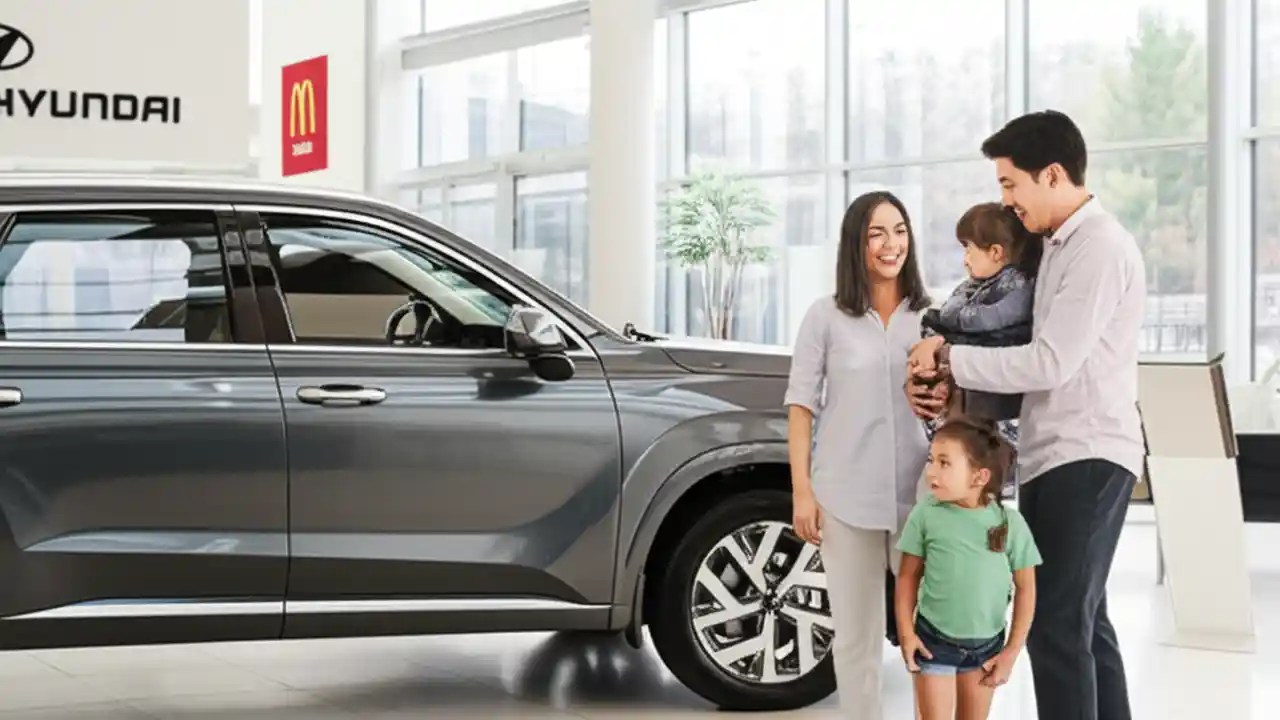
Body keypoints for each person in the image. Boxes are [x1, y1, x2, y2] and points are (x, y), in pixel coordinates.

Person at [906, 109, 1146, 720]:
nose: (1007, 200)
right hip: (1054, 452)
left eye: (1011, 183)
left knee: (1056, 623)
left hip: (1086, 452)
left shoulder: (1098, 247)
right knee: (1083, 620)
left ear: (1054, 174)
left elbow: (1049, 362)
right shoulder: (1057, 246)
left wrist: (951, 358)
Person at [786, 190, 932, 718]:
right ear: (856, 244)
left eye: (900, 231)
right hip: (845, 496)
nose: (892, 244)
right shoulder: (824, 317)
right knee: (855, 636)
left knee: (931, 631)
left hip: (921, 497)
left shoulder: (932, 315)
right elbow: (801, 405)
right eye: (877, 234)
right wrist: (803, 492)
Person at [895, 417, 1041, 720]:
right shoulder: (925, 514)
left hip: (985, 649)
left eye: (944, 463)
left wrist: (1011, 651)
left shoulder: (1010, 523)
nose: (931, 471)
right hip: (933, 643)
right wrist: (907, 634)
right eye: (931, 460)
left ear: (979, 476)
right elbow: (907, 576)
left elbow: (1026, 588)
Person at [912, 202, 1042, 468]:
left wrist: (942, 343)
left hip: (994, 412)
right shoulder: (975, 288)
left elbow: (983, 325)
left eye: (969, 248)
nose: (965, 259)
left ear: (995, 252)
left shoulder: (1016, 291)